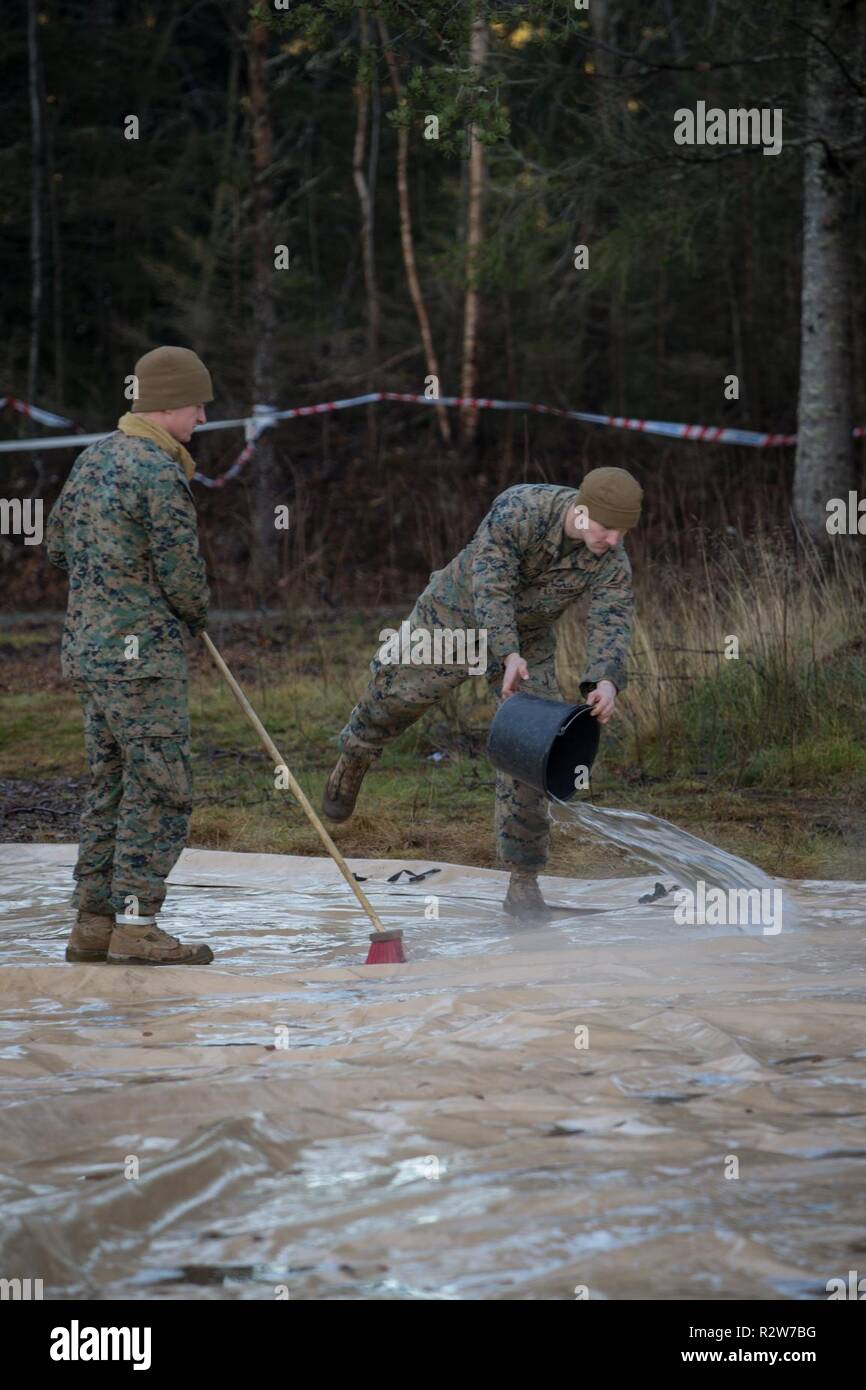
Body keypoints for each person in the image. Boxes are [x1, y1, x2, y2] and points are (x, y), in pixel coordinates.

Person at [322, 467, 642, 922]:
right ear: (581, 509)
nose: (613, 540)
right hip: (452, 619)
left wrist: (603, 682)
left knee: (536, 750)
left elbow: (612, 617)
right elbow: (492, 587)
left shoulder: (610, 554)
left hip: (529, 642)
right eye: (608, 528)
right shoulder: (520, 509)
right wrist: (505, 650)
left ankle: (524, 883)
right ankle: (355, 754)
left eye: (622, 532)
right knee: (393, 701)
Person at [46, 346, 215, 965]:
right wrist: (193, 613)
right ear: (167, 403)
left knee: (110, 785)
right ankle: (138, 928)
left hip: (87, 655)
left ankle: (92, 924)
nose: (202, 416)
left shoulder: (92, 459)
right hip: (141, 661)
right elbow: (181, 576)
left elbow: (57, 547)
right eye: (198, 403)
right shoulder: (157, 470)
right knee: (162, 788)